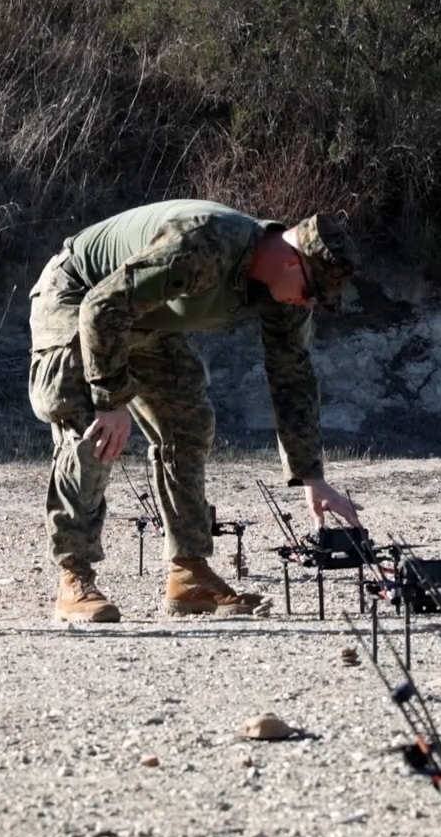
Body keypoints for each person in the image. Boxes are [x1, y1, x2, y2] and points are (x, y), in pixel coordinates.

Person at [27, 200, 364, 622]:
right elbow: (101, 306)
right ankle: (74, 580)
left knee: (187, 422)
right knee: (92, 430)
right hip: (79, 294)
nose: (306, 304)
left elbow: (291, 374)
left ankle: (189, 575)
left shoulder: (286, 296)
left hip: (142, 317)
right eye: (310, 293)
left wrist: (312, 476)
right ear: (293, 264)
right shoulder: (204, 242)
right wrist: (110, 400)